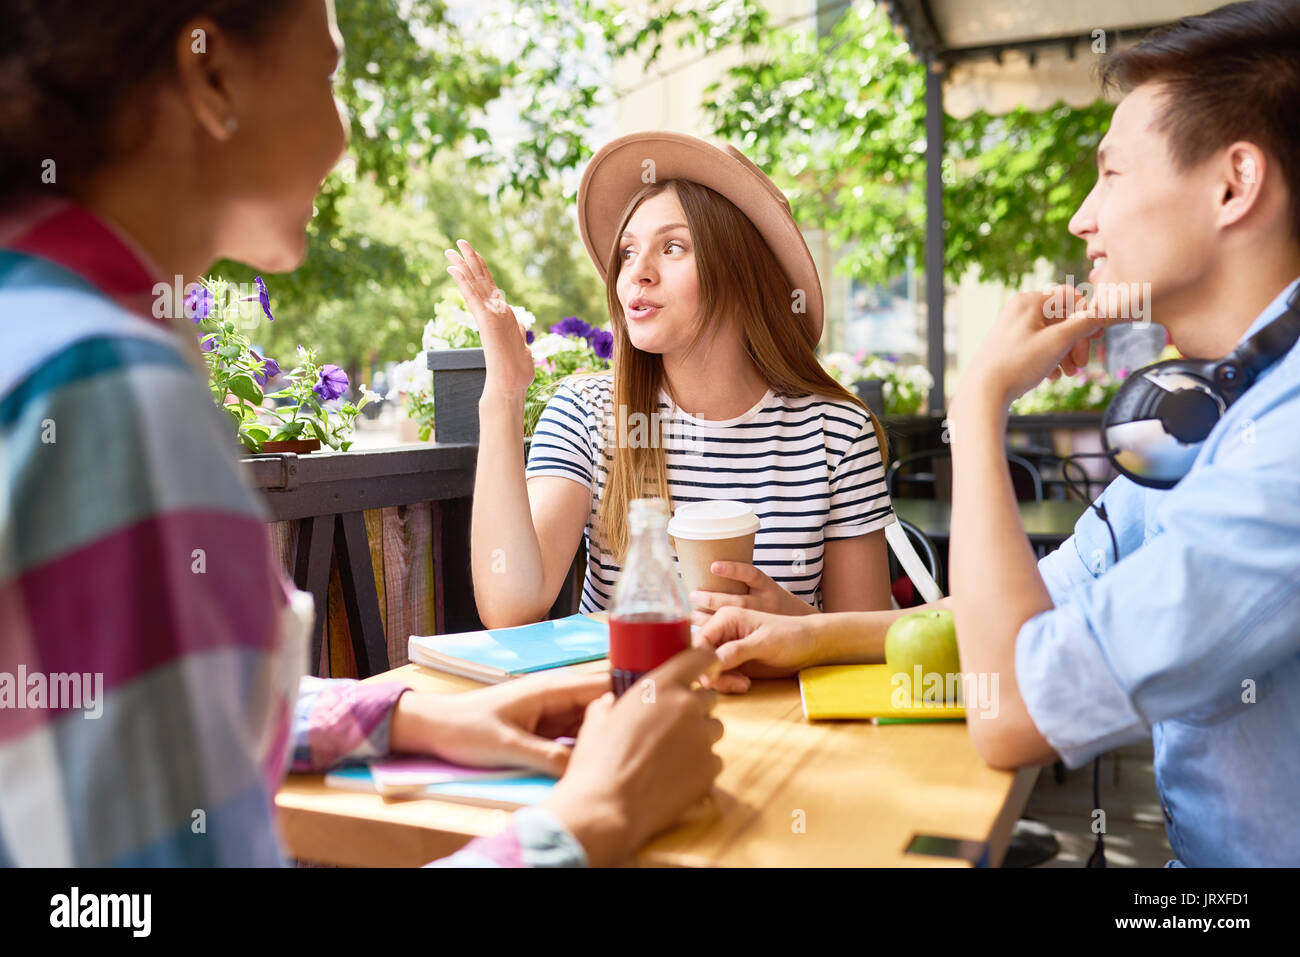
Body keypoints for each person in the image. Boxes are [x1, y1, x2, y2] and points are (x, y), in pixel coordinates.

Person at [0, 0, 722, 867]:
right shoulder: (103, 391)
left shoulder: (48, 335)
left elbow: (131, 706)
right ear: (213, 74)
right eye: (331, 75)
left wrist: (400, 716)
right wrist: (594, 818)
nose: (343, 137)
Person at [696, 0, 1300, 867]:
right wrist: (810, 633)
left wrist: (979, 406)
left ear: (1234, 184)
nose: (1080, 219)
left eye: (1112, 174)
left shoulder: (1283, 447)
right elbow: (1031, 612)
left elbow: (1010, 705)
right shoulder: (1214, 406)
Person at [451, 132, 896, 629]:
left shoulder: (836, 432)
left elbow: (866, 638)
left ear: (739, 272)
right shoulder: (587, 412)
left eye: (673, 247)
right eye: (628, 251)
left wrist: (796, 624)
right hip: (626, 700)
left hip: (776, 706)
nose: (636, 273)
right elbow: (510, 608)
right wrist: (506, 393)